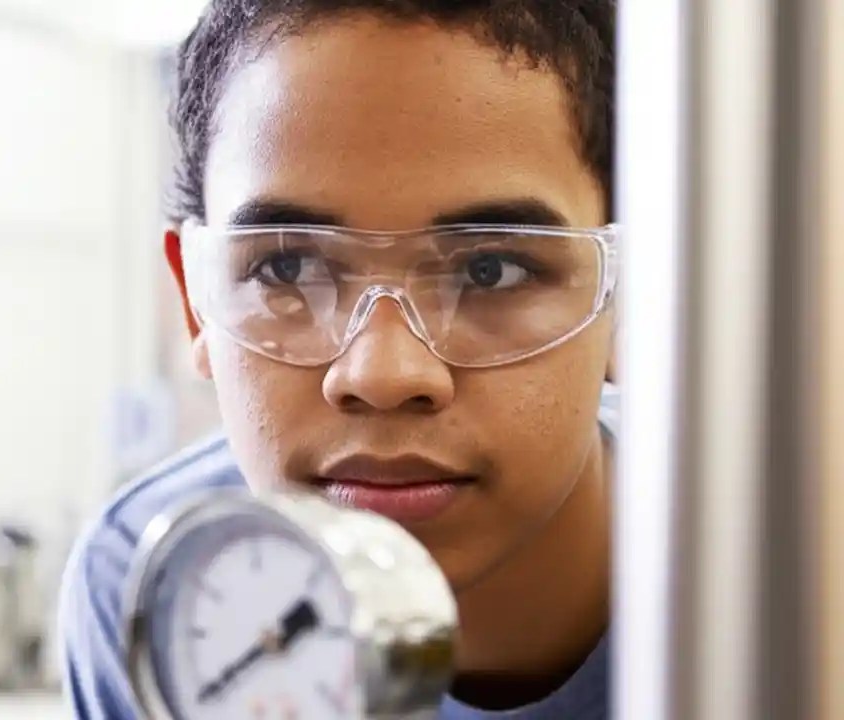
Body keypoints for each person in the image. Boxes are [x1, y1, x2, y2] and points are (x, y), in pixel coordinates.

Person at [59, 0, 618, 717]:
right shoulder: (149, 588)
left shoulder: (754, 578)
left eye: (490, 270)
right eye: (287, 268)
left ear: (630, 295)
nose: (382, 375)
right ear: (197, 303)